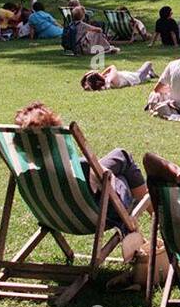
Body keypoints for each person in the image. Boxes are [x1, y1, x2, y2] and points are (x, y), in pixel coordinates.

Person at [14, 102, 149, 261]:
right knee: (122, 168)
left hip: (56, 219)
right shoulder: (81, 170)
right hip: (103, 216)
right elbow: (102, 180)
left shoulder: (26, 177)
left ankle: (150, 216)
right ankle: (153, 211)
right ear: (58, 139)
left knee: (118, 157)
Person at [81, 61, 156, 91]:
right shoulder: (111, 79)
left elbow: (85, 85)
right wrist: (102, 74)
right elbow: (112, 67)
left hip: (131, 76)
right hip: (137, 77)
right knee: (148, 63)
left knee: (147, 76)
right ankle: (150, 74)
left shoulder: (105, 84)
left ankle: (150, 74)